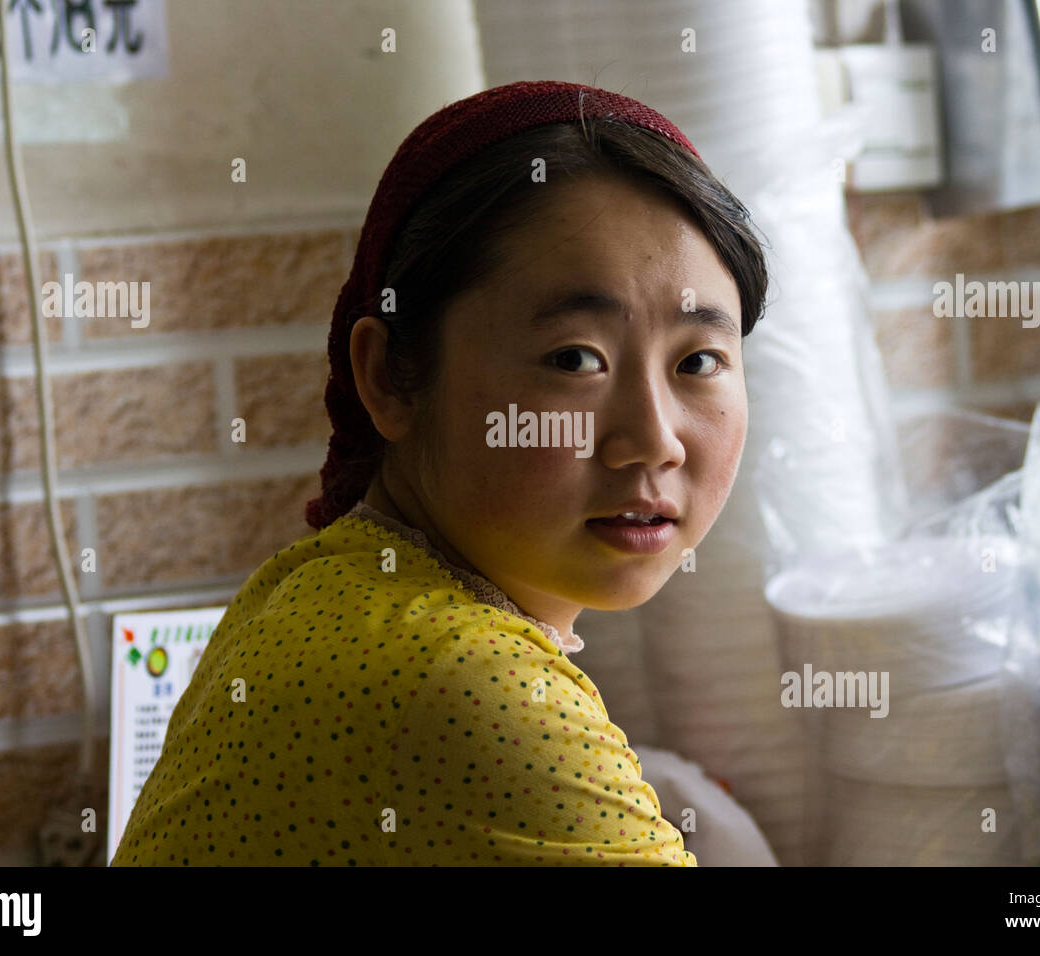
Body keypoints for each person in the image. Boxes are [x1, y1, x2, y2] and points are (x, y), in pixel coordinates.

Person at [112, 80, 768, 866]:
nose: (653, 441)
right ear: (388, 377)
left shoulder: (318, 588)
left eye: (699, 360)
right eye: (574, 359)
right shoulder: (465, 688)